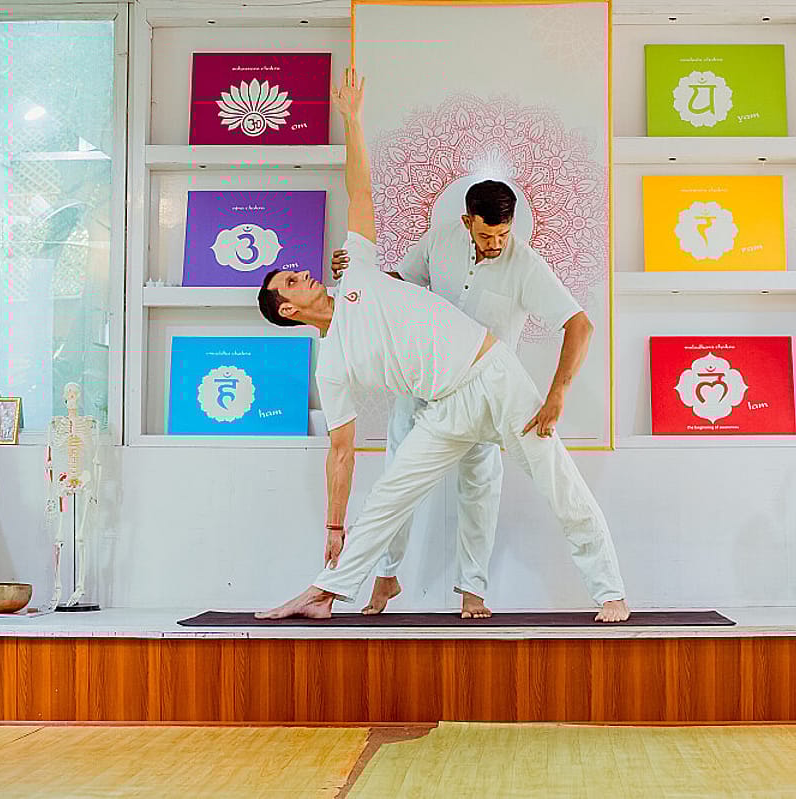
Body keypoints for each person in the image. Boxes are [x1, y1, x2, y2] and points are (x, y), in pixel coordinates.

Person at [255, 68, 629, 623]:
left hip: (495, 378)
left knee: (557, 480)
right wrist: (334, 523)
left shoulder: (358, 271)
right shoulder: (332, 362)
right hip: (445, 406)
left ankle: (610, 592)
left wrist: (352, 120)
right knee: (388, 496)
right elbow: (339, 451)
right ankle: (326, 592)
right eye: (287, 283)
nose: (297, 274)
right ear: (287, 312)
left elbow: (360, 190)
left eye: (293, 271)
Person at [331, 183, 590, 620]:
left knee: (480, 490)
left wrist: (557, 393)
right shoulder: (438, 240)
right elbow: (394, 286)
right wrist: (356, 275)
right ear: (468, 221)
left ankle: (473, 591)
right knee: (396, 482)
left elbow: (579, 324)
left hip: (484, 392)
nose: (496, 245)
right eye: (487, 236)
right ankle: (385, 576)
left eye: (503, 235)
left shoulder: (524, 263)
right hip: (421, 382)